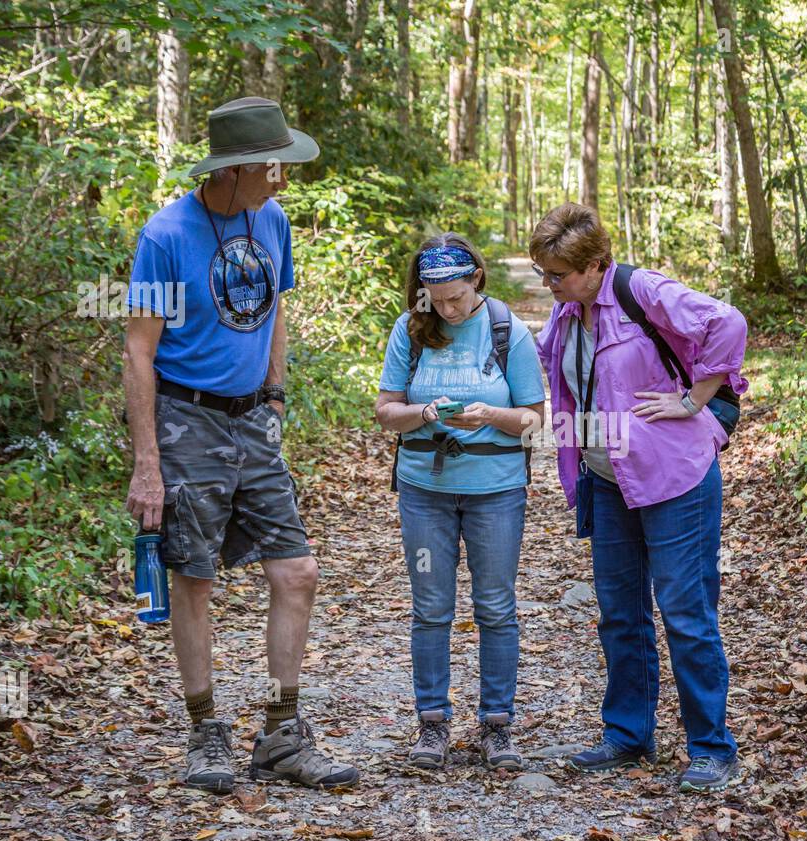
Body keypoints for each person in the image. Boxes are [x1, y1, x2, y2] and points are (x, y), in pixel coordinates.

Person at [123, 97, 358, 792]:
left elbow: (276, 306)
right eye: (275, 167)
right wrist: (148, 464)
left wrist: (277, 392)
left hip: (254, 419)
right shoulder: (166, 235)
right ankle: (205, 734)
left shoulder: (272, 219)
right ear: (238, 168)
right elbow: (139, 352)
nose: (283, 179)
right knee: (194, 578)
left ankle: (282, 735)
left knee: (297, 572)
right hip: (185, 419)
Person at [529, 202, 748, 792]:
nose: (547, 285)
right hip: (609, 481)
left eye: (557, 275)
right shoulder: (568, 314)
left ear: (596, 264)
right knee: (621, 615)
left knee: (686, 614)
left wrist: (694, 399)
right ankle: (629, 736)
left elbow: (727, 321)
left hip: (673, 477)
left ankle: (711, 748)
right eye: (543, 272)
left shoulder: (640, 289)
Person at [376, 234, 546, 771]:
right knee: (430, 607)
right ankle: (432, 724)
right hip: (425, 489)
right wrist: (425, 413)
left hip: (495, 491)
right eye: (435, 298)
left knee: (495, 606)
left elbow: (534, 418)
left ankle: (497, 725)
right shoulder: (411, 330)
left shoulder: (506, 331)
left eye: (455, 296)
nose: (446, 309)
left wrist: (490, 417)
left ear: (476, 278)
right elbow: (385, 411)